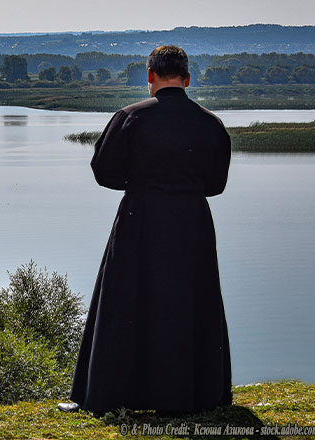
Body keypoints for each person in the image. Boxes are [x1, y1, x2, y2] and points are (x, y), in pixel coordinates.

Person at [58, 45, 233, 415]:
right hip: (192, 221)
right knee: (189, 302)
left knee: (124, 300)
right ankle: (196, 395)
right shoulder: (210, 123)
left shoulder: (129, 116)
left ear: (149, 76)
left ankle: (106, 397)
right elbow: (216, 184)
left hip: (141, 217)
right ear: (187, 79)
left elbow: (103, 171)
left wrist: (141, 184)